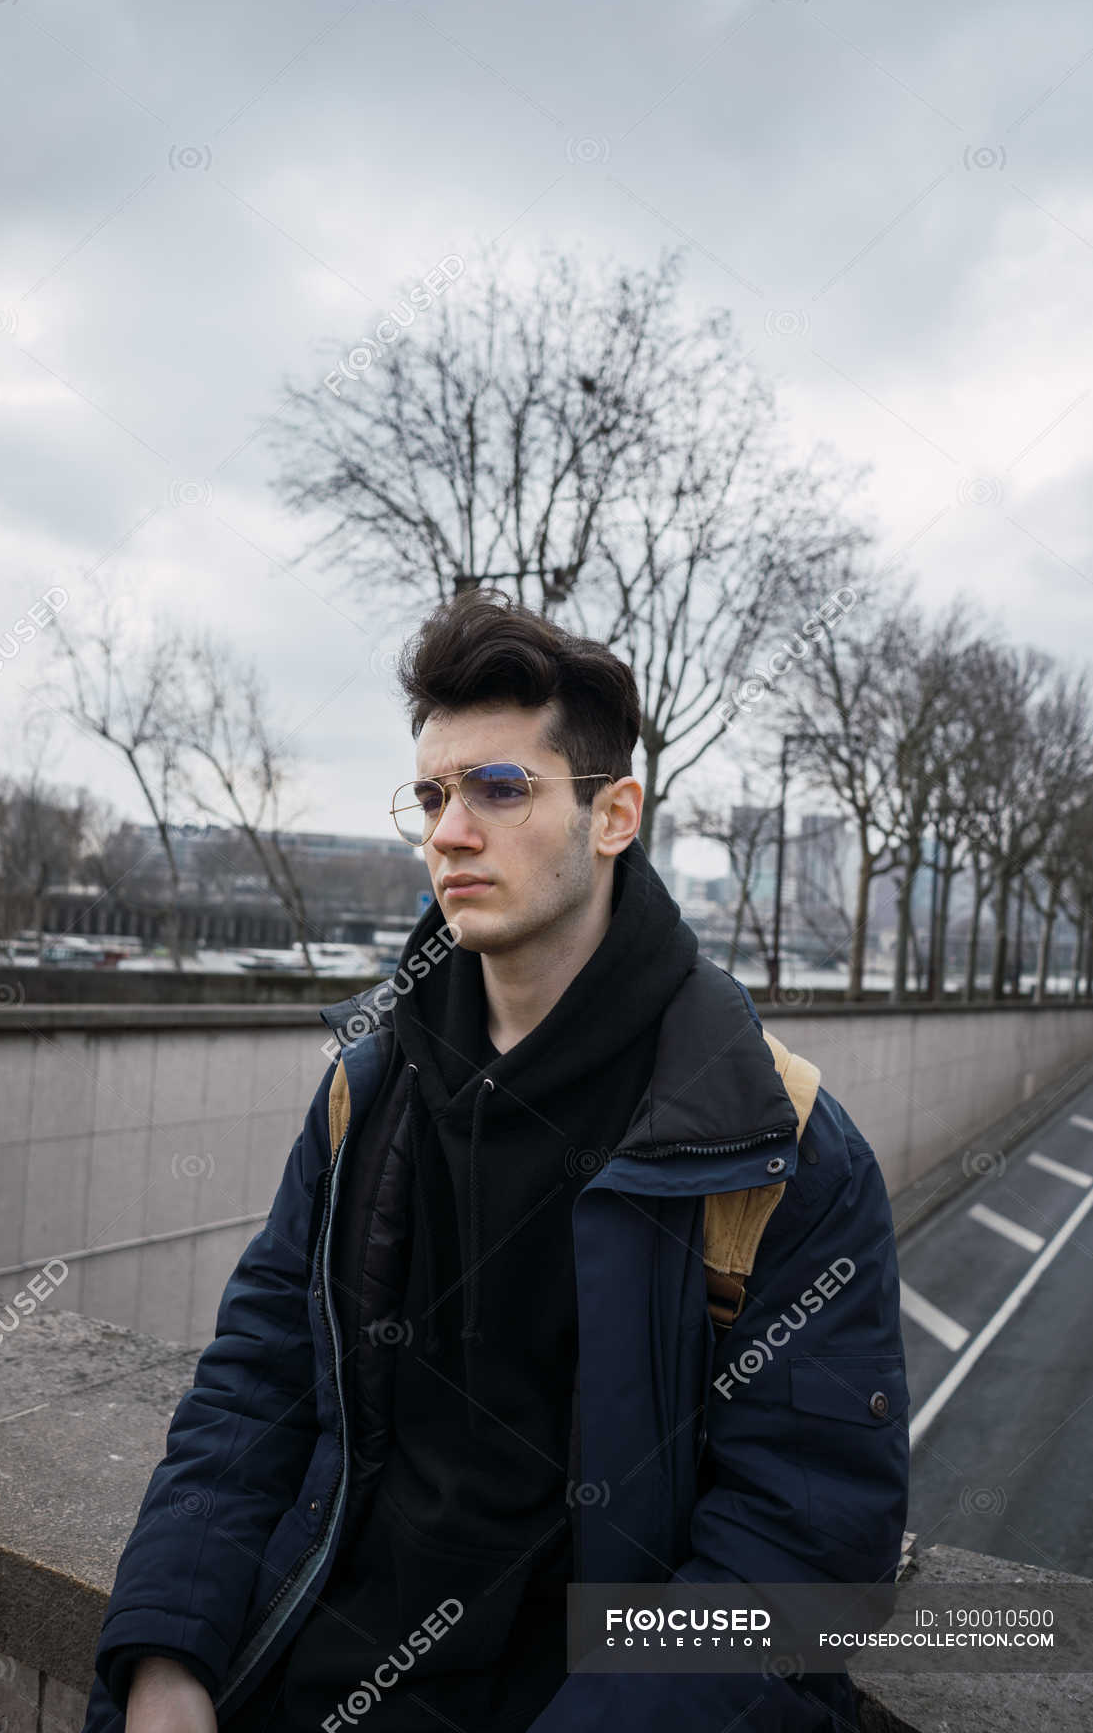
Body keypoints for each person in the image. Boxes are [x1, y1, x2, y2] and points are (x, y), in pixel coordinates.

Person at [81, 587, 909, 1733]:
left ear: (612, 816)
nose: (448, 832)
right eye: (432, 796)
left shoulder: (777, 1143)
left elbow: (800, 1552)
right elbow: (258, 1382)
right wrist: (166, 1651)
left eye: (500, 789)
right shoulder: (368, 1087)